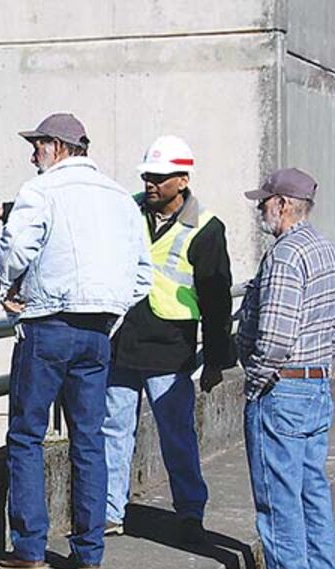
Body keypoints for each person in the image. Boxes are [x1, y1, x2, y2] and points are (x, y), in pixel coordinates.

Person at [0, 113, 152, 569]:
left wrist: (5, 291)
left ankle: (30, 548)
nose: (31, 154)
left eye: (37, 145)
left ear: (57, 147)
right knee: (89, 438)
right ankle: (89, 552)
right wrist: (112, 310)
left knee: (26, 435)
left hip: (47, 324)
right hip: (98, 330)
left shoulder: (40, 191)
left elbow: (16, 248)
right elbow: (143, 273)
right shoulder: (121, 198)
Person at [232, 167, 335, 569]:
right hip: (316, 383)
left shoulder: (285, 255)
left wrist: (257, 378)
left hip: (283, 388)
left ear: (282, 205)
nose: (261, 209)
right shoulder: (327, 251)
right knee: (311, 493)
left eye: (265, 202)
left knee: (277, 496)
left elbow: (275, 333)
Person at [102, 135, 233, 540]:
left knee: (176, 433)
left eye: (159, 177)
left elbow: (217, 298)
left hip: (170, 347)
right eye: (147, 176)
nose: (151, 184)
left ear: (182, 179)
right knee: (113, 429)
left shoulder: (206, 228)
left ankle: (190, 511)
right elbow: (74, 210)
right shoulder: (127, 210)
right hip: (123, 339)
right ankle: (110, 512)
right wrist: (5, 212)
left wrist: (214, 360)